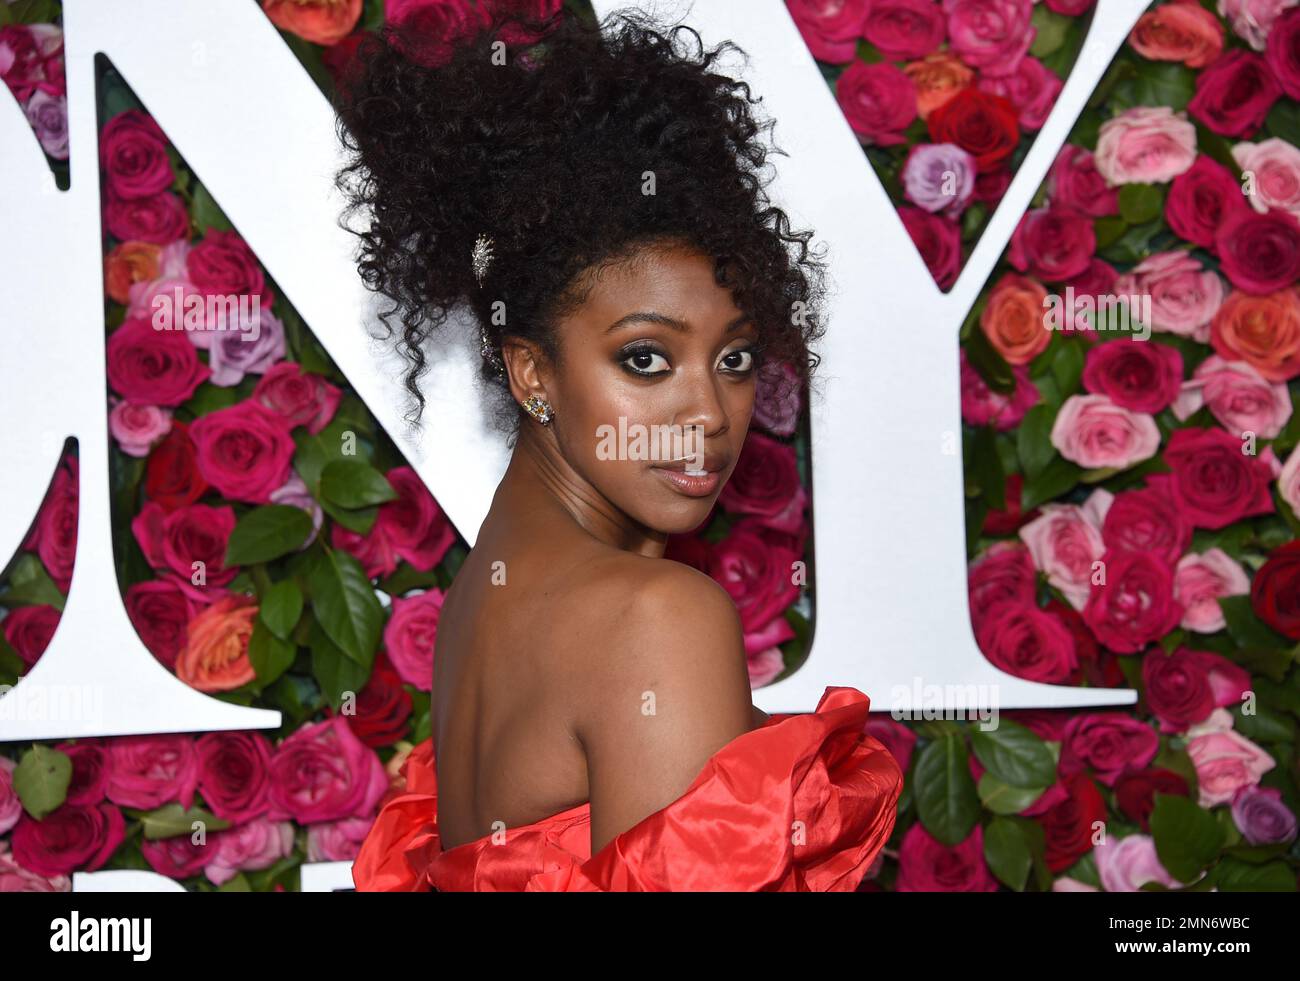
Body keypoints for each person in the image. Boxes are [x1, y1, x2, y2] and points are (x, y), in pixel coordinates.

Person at [334, 4, 902, 891]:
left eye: (736, 357)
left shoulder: (480, 606)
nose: (709, 412)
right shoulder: (655, 616)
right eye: (646, 357)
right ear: (532, 372)